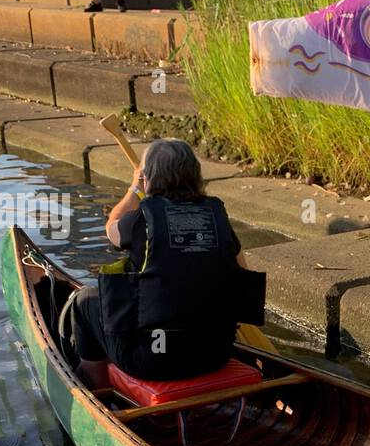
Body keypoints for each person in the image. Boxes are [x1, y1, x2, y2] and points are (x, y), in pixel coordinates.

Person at [62, 139, 256, 387]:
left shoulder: (140, 220)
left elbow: (111, 228)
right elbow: (242, 277)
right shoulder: (218, 218)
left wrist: (135, 188)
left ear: (148, 178)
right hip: (216, 353)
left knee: (83, 301)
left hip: (153, 359)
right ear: (195, 175)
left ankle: (95, 382)